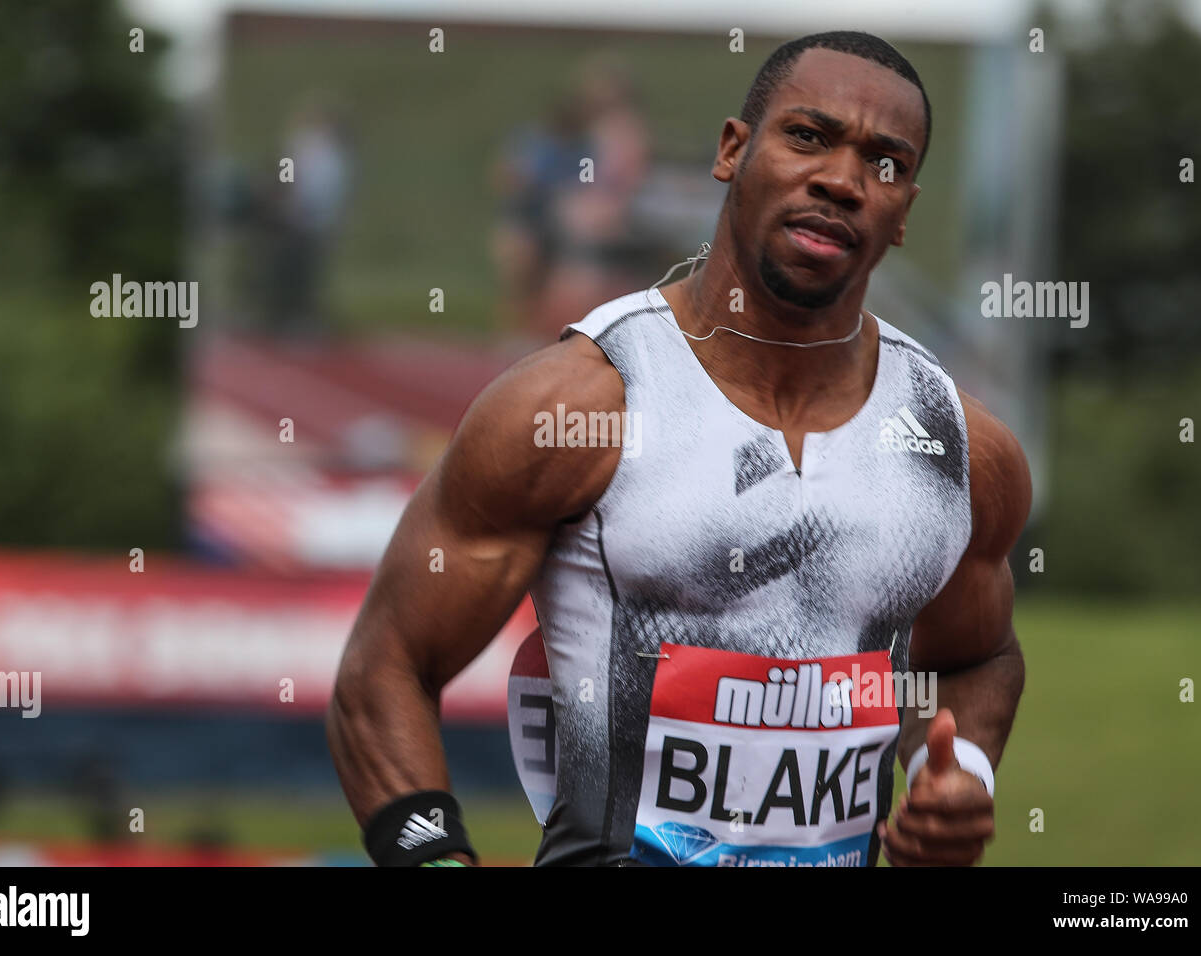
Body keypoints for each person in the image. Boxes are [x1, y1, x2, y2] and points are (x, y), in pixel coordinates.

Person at [327, 31, 1031, 867]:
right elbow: (386, 669)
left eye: (882, 162)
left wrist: (965, 776)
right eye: (807, 136)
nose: (841, 180)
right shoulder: (577, 407)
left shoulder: (958, 448)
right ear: (733, 151)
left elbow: (977, 655)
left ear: (904, 209)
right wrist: (434, 857)